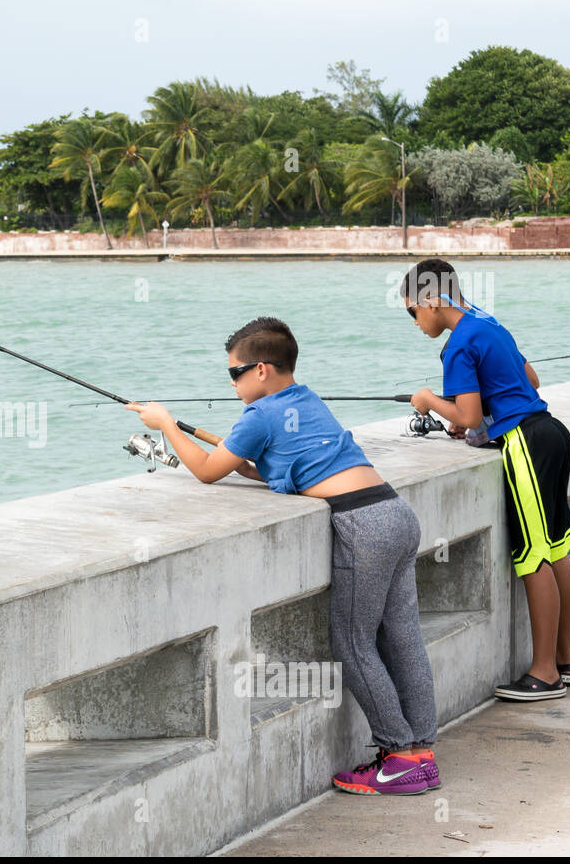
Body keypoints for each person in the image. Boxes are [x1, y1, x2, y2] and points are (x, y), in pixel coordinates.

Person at [128, 317, 440, 795]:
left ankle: (397, 757)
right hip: (394, 511)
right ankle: (421, 753)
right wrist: (251, 462)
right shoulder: (305, 399)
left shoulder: (260, 415)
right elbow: (279, 467)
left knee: (354, 642)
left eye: (234, 373)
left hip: (362, 524)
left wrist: (166, 424)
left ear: (262, 370)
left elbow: (208, 472)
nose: (230, 382)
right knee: (402, 638)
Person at [402, 258, 570, 702]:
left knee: (533, 554)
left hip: (525, 445)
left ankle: (544, 675)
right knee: (555, 549)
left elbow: (468, 415)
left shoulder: (457, 345)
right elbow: (530, 379)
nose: (415, 322)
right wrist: (476, 414)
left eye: (412, 312)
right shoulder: (487, 323)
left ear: (429, 299)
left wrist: (428, 400)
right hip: (552, 433)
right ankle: (565, 660)